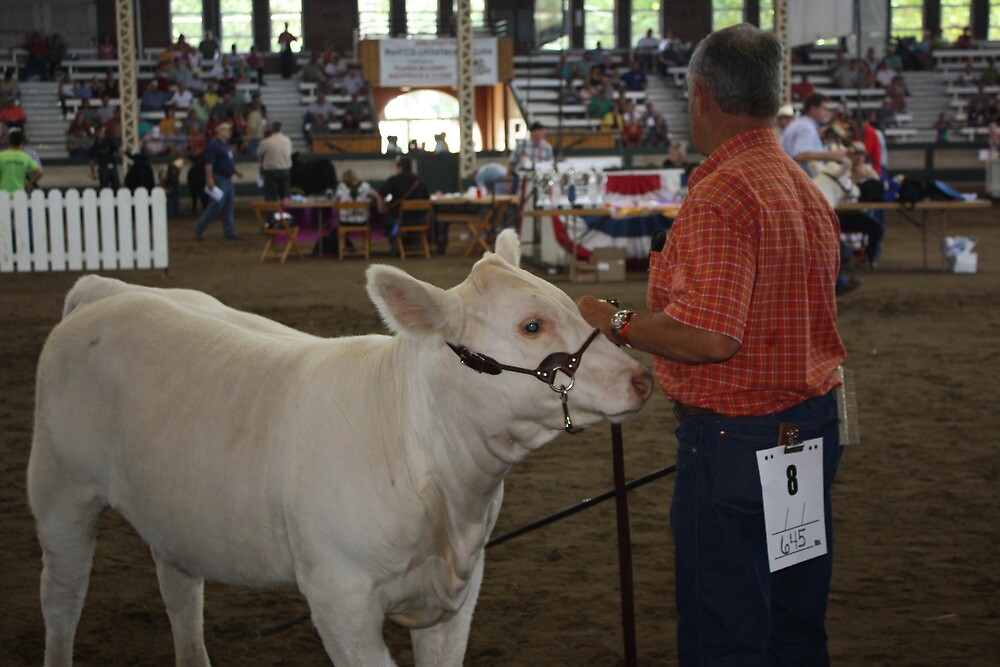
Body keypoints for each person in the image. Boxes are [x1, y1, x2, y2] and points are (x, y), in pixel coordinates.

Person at [577, 24, 848, 666]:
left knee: (724, 631)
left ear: (700, 97)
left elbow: (710, 338)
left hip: (735, 440)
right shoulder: (803, 188)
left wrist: (614, 320)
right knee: (793, 623)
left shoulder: (724, 193)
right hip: (805, 429)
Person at [194, 123, 243, 240]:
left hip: (227, 178)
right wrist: (209, 178)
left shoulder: (224, 145)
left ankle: (229, 230)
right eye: (227, 130)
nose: (229, 132)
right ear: (220, 131)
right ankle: (200, 226)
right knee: (217, 204)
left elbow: (228, 161)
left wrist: (235, 171)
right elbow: (209, 164)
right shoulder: (214, 145)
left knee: (228, 205)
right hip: (220, 178)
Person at [377, 156, 430, 250]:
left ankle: (396, 244)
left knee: (387, 222)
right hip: (420, 220)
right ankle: (412, 243)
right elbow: (427, 199)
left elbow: (381, 194)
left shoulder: (394, 180)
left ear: (400, 167)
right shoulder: (420, 181)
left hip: (400, 220)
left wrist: (381, 206)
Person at [256, 121, 292, 201]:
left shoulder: (266, 142)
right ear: (281, 129)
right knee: (285, 194)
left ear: (272, 129)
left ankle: (271, 213)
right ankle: (285, 212)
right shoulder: (287, 140)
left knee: (270, 195)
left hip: (271, 171)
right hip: (285, 170)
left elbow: (258, 153)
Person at [0, 129, 42, 194]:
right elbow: (40, 172)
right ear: (21, 142)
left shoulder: (1, 155)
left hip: (3, 193)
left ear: (9, 141)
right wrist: (29, 183)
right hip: (19, 193)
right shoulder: (25, 157)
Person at [88, 124, 122, 189]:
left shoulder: (109, 140)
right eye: (98, 132)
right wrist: (93, 172)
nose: (100, 134)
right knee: (104, 187)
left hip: (112, 166)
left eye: (100, 132)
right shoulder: (94, 145)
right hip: (103, 168)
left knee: (116, 186)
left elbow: (118, 149)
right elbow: (91, 159)